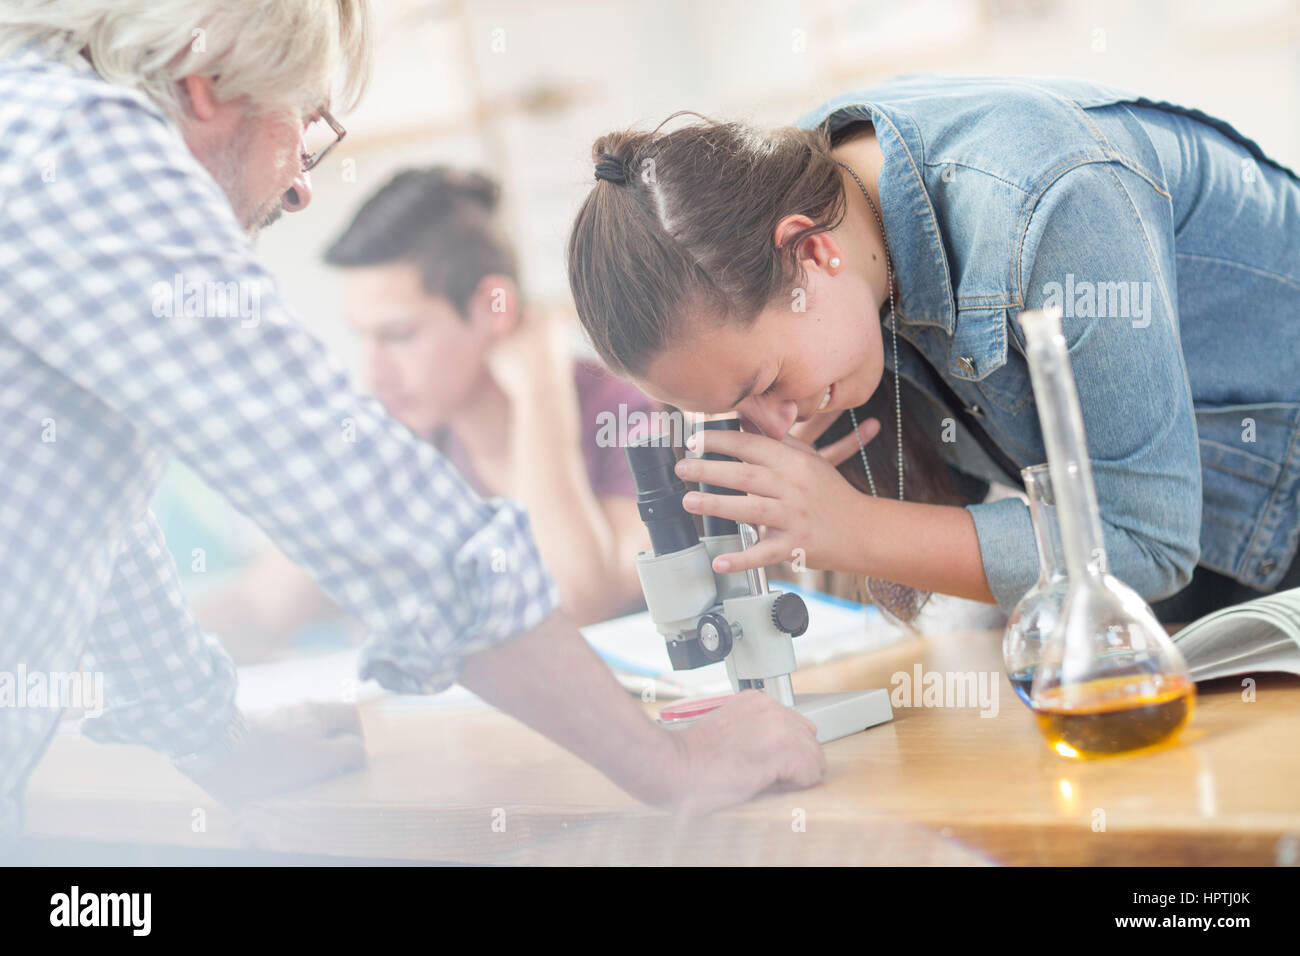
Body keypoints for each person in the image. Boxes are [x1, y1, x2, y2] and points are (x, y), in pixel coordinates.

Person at [0, 0, 824, 842]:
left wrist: (217, 744)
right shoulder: (80, 147)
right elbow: (346, 490)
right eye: (306, 117)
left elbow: (102, 504)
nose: (301, 179)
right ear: (202, 78)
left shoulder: (35, 135)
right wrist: (668, 765)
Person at [566, 78, 1300, 629]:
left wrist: (856, 530)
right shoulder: (812, 205)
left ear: (811, 253)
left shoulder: (1049, 201)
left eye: (765, 382)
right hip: (1213, 585)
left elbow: (1144, 541)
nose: (780, 422)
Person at [197, 168, 654, 653]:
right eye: (366, 338)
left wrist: (541, 395)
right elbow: (262, 603)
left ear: (492, 308)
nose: (375, 376)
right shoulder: (401, 442)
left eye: (398, 336)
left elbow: (578, 603)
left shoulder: (623, 412)